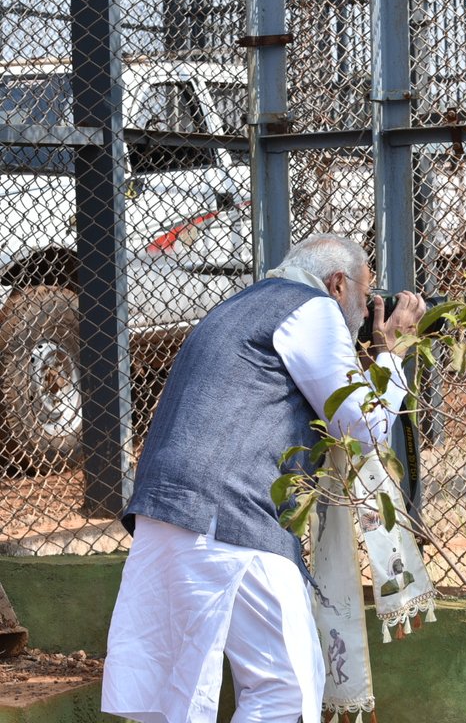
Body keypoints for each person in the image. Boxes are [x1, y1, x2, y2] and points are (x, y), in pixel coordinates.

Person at [101, 233, 425, 723]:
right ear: (338, 284)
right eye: (365, 291)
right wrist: (394, 355)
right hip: (230, 516)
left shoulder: (236, 305)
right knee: (285, 688)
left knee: (176, 701)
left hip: (166, 513)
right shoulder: (312, 309)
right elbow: (360, 425)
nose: (369, 307)